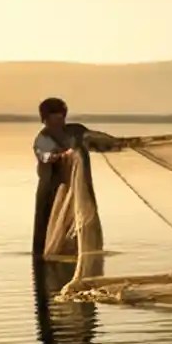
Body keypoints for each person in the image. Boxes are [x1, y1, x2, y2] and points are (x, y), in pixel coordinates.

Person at [32, 97, 111, 257]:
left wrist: (118, 143)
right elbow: (45, 155)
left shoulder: (76, 131)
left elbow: (94, 139)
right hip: (51, 191)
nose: (58, 123)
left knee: (81, 224)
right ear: (44, 120)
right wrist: (60, 155)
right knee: (45, 233)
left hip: (77, 188)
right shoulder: (43, 138)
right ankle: (42, 263)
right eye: (53, 119)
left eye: (61, 118)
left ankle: (77, 255)